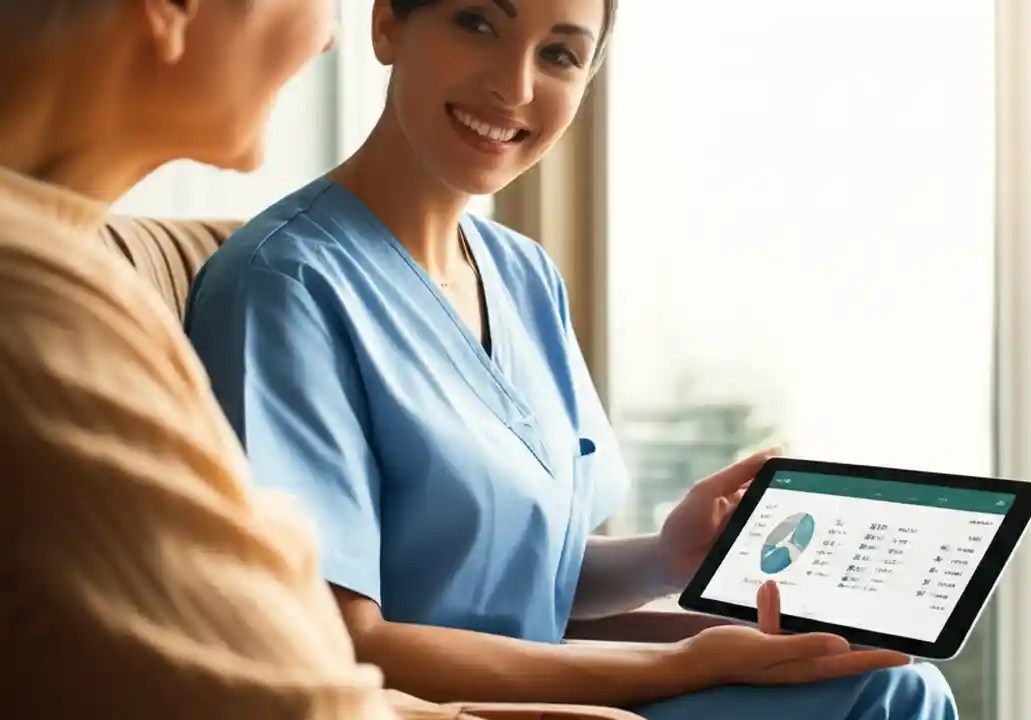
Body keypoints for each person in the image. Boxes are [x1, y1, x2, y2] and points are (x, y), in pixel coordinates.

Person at [185, 1, 959, 718]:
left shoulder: (523, 275)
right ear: (387, 23)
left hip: (555, 690)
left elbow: (521, 577)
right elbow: (334, 642)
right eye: (478, 23)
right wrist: (676, 664)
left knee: (885, 672)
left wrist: (664, 559)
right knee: (888, 695)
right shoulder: (283, 286)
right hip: (436, 711)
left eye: (559, 55)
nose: (515, 88)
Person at [0, 1, 607, 718]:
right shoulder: (40, 307)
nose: (327, 37)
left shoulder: (77, 281)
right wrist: (667, 670)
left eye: (560, 55)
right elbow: (294, 691)